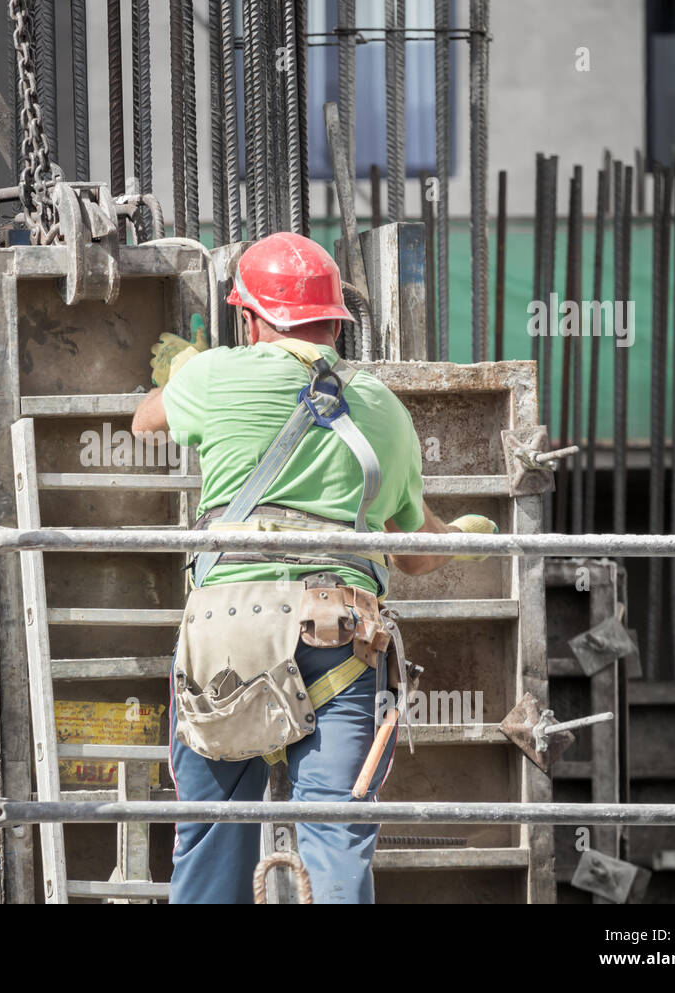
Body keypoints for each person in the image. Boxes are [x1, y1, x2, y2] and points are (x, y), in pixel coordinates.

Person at [131, 232, 495, 903]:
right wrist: (460, 534)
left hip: (227, 633)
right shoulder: (383, 408)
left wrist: (190, 370)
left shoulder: (215, 378)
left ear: (248, 316)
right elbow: (415, 553)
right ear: (335, 323)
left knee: (213, 833)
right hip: (339, 636)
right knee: (333, 835)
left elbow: (144, 421)